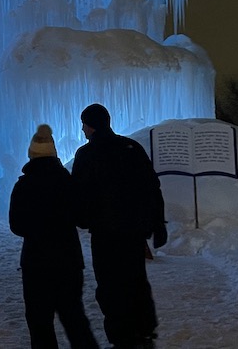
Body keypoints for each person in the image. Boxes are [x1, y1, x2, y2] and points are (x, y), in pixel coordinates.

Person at [72, 103, 168, 349]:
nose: (82, 129)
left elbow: (79, 195)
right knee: (136, 279)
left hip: (105, 233)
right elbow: (151, 187)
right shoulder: (131, 148)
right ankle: (144, 331)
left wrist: (81, 219)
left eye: (84, 124)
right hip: (133, 231)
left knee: (110, 285)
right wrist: (157, 223)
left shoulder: (86, 154)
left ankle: (121, 336)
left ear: (90, 125)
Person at [10, 124, 99, 349]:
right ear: (54, 154)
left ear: (31, 155)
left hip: (35, 262)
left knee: (40, 322)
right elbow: (83, 219)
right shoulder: (68, 183)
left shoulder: (23, 186)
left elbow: (17, 226)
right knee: (74, 318)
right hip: (68, 260)